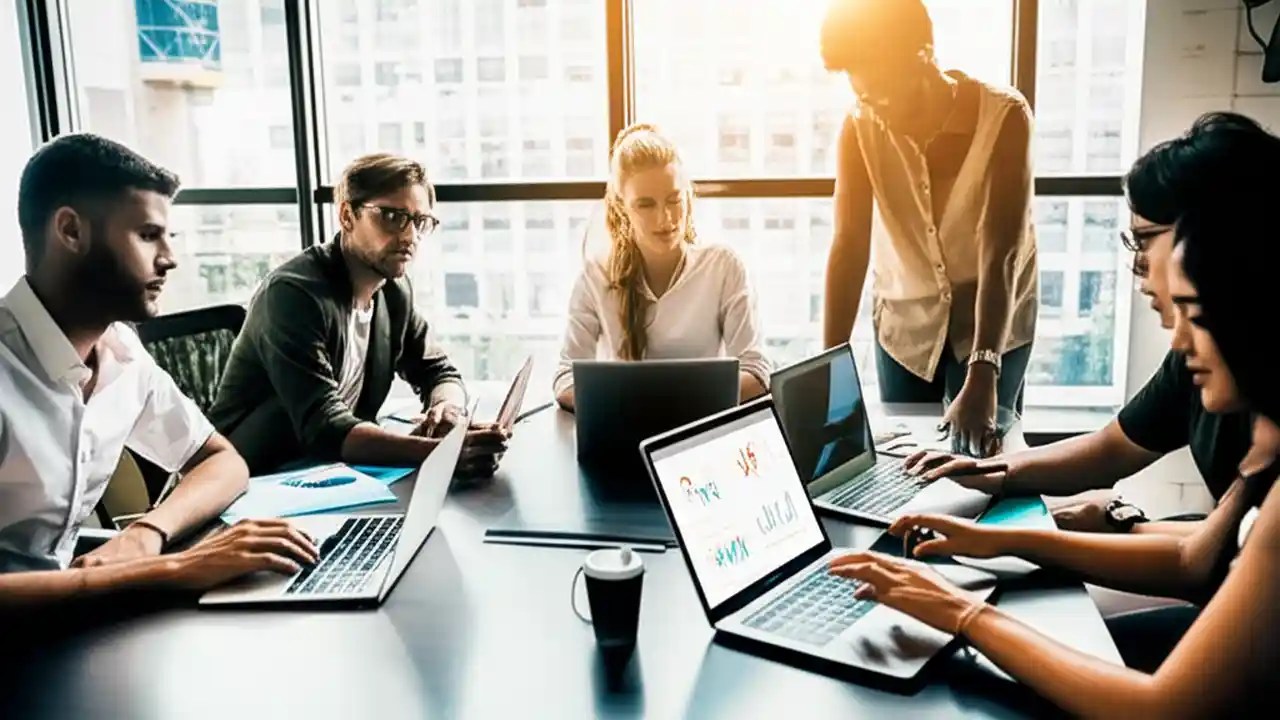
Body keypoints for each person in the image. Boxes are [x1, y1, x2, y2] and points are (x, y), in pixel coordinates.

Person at [827, 172, 1280, 715]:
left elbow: (1161, 709)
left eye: (1197, 315)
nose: (1180, 340)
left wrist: (962, 613)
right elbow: (1194, 553)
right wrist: (999, 538)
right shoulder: (1266, 445)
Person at [902, 112, 1275, 535]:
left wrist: (1113, 524)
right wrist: (991, 470)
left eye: (1146, 239)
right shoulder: (1199, 357)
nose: (1137, 266)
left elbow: (1216, 556)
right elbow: (1113, 449)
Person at [1, 134, 317, 608]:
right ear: (70, 231)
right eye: (148, 235)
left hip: (58, 622)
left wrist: (147, 533)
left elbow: (221, 461)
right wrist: (175, 568)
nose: (169, 257)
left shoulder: (122, 354)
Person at [820, 0, 1039, 457]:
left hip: (992, 319)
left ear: (924, 53)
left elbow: (1001, 253)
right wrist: (829, 368)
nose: (876, 110)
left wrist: (984, 370)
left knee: (979, 457)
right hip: (906, 321)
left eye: (884, 93)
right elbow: (849, 246)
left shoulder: (1006, 117)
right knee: (904, 459)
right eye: (865, 97)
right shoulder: (859, 127)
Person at [210, 154, 507, 475]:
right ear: (347, 215)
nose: (410, 236)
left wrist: (446, 411)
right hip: (255, 478)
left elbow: (438, 371)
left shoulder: (393, 291)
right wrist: (442, 454)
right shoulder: (294, 295)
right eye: (393, 216)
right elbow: (325, 427)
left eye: (420, 221)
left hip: (332, 471)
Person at [553, 123, 771, 410]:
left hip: (700, 435)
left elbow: (756, 370)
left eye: (673, 200)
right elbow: (565, 378)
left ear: (688, 197)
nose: (664, 218)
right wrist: (646, 407)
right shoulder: (596, 276)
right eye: (645, 205)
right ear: (622, 207)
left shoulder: (722, 267)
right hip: (625, 436)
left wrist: (668, 405)